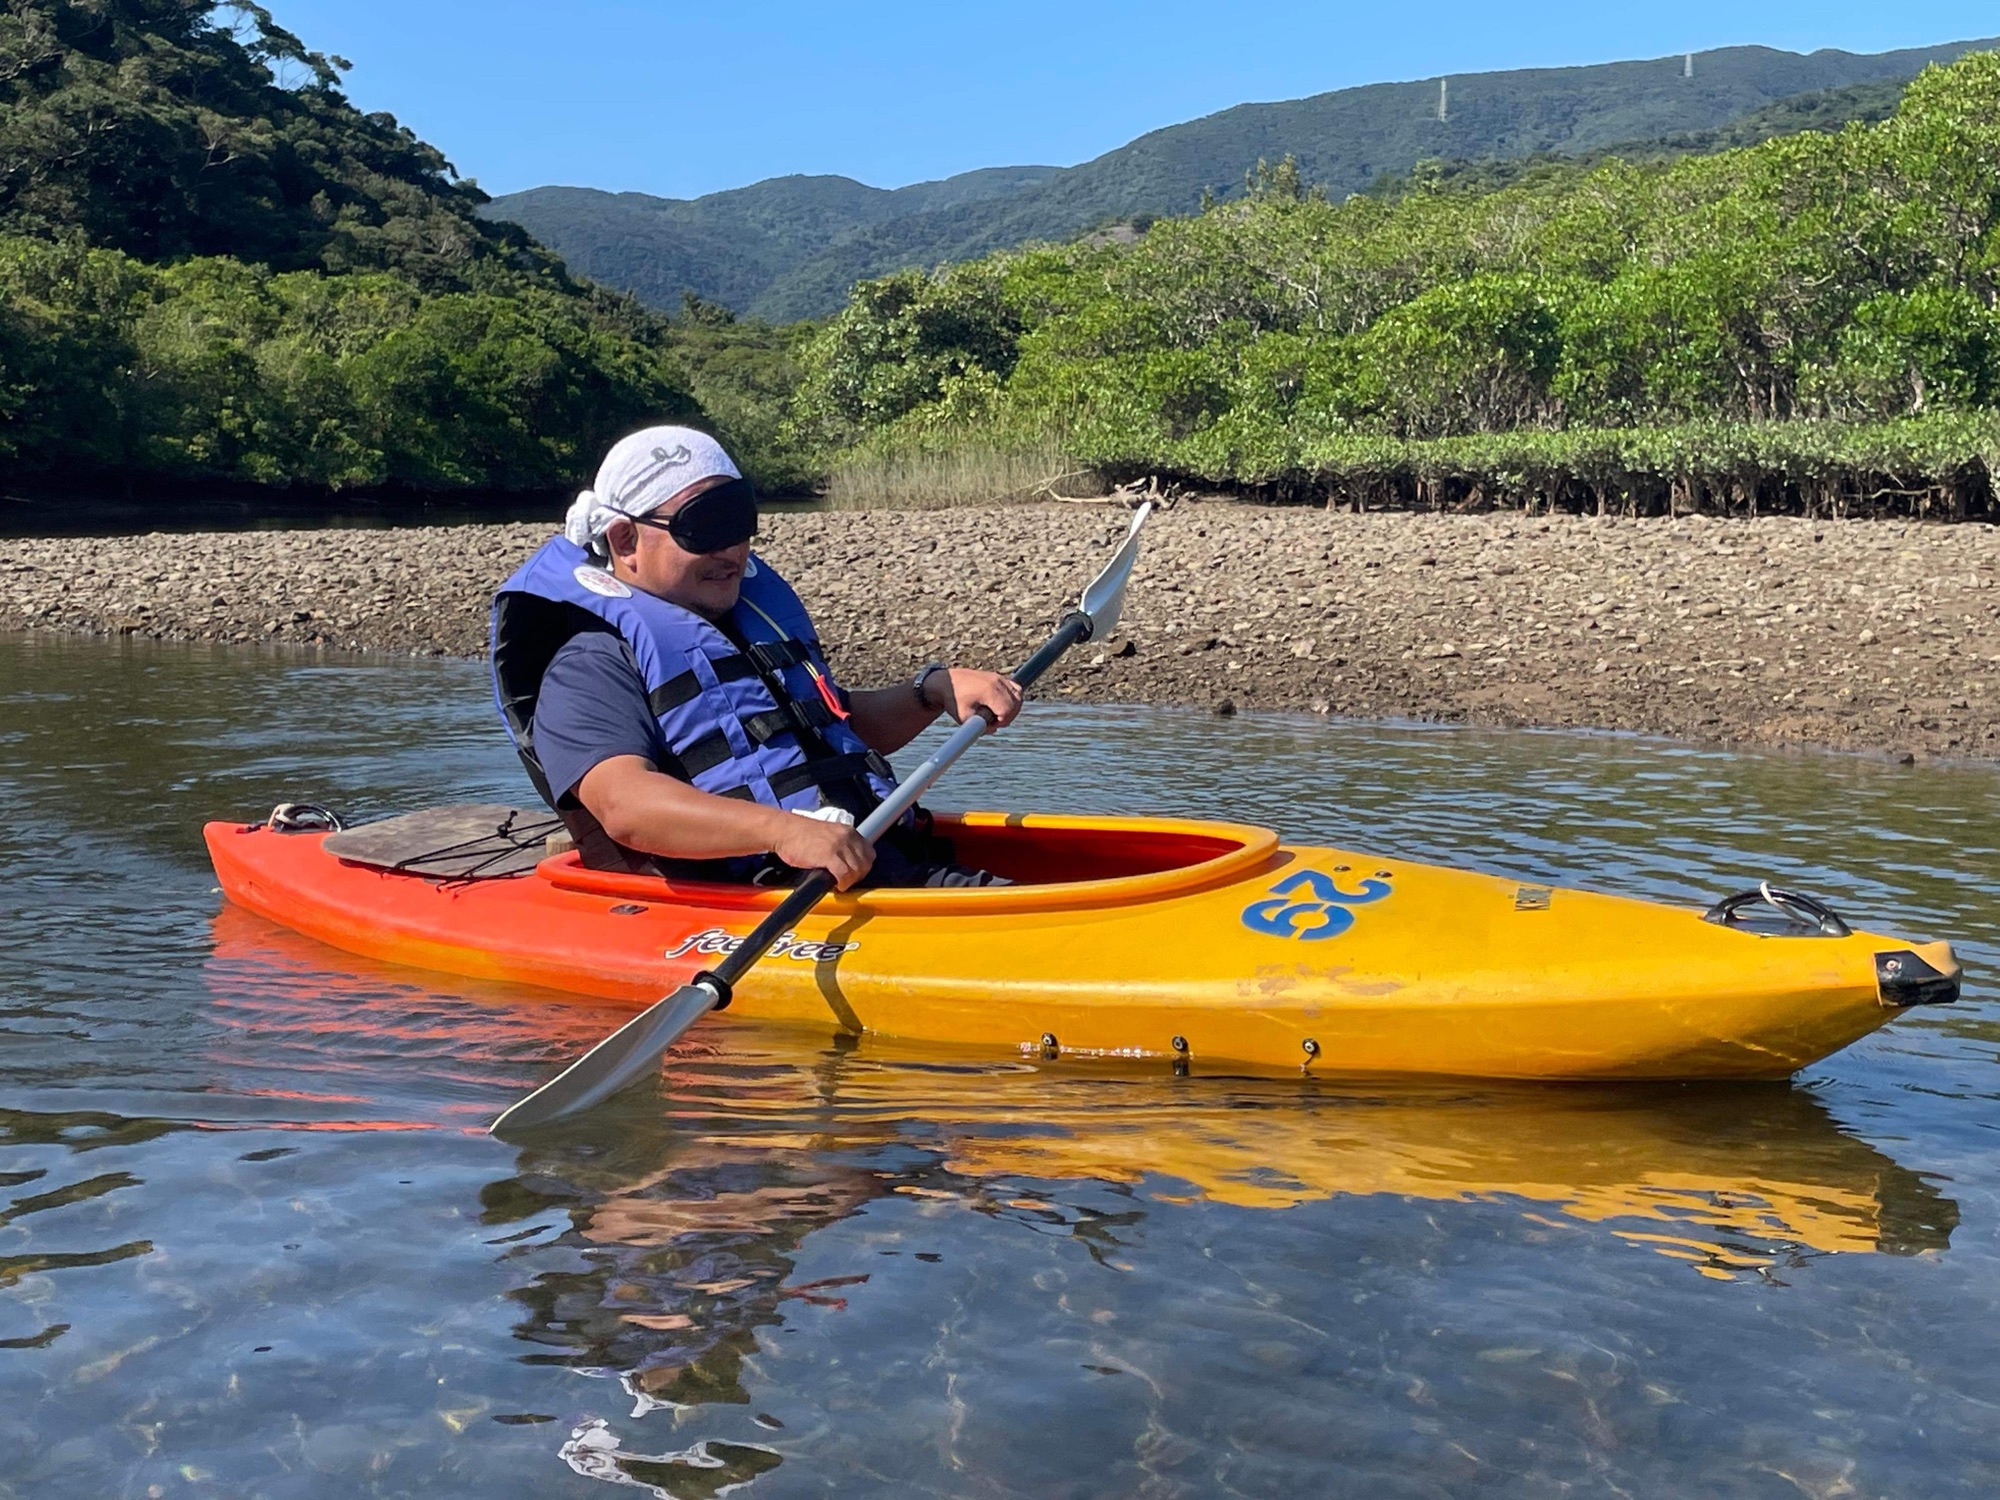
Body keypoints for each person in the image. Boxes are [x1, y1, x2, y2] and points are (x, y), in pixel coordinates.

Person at [491, 426, 1022, 889]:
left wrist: (929, 692)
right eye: (703, 529)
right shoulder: (590, 664)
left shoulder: (742, 623)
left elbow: (833, 728)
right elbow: (625, 806)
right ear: (625, 539)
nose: (733, 551)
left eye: (739, 523)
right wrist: (785, 831)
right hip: (774, 889)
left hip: (874, 854)